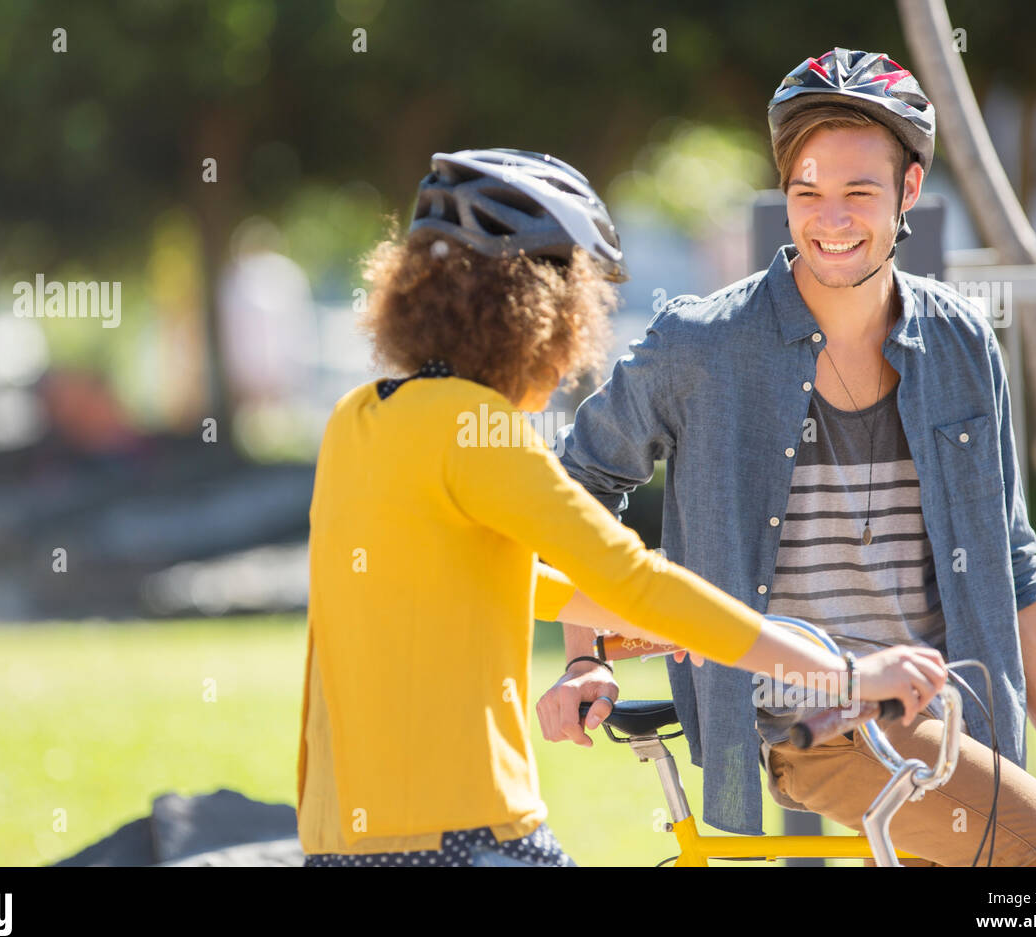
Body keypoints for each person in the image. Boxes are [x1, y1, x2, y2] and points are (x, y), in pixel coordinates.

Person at [541, 48, 1036, 865]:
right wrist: (585, 658)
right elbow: (576, 488)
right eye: (808, 192)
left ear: (908, 192)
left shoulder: (961, 342)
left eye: (858, 192)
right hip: (814, 724)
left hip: (951, 717)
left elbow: (1012, 564)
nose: (830, 219)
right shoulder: (703, 345)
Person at [297, 146, 946, 866]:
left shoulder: (358, 420)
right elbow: (631, 575)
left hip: (343, 836)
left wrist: (662, 627)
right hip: (466, 832)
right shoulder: (473, 428)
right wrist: (848, 677)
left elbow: (493, 580)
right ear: (545, 308)